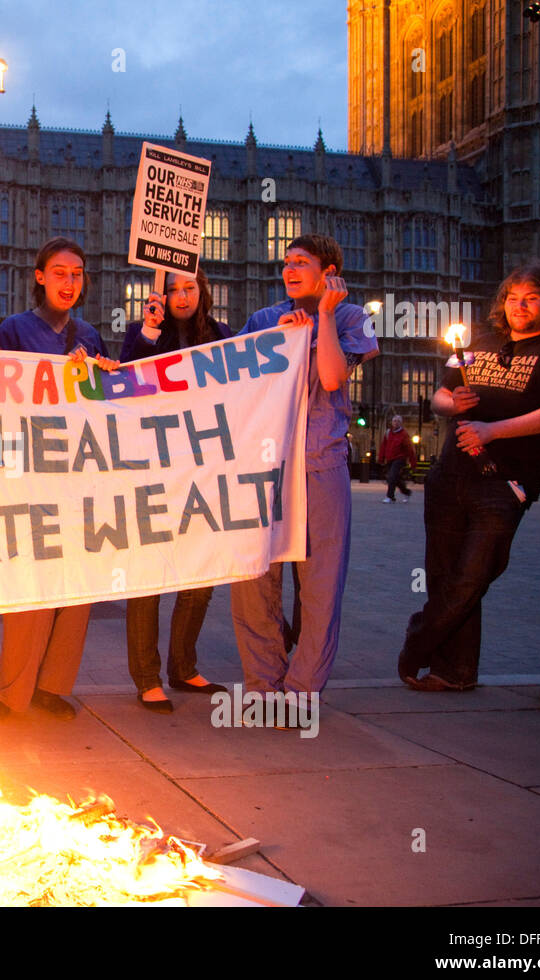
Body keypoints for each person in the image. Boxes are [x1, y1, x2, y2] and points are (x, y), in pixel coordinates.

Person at [398, 264, 540, 691]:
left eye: (532, 297)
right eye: (513, 297)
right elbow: (440, 396)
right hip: (450, 473)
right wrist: (453, 403)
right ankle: (455, 672)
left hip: (505, 479)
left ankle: (418, 638)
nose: (520, 306)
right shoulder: (477, 343)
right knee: (444, 573)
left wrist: (492, 430)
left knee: (476, 573)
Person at [229, 234, 378, 698]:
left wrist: (324, 318)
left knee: (319, 586)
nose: (290, 269)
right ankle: (263, 685)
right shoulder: (263, 320)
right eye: (286, 262)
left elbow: (332, 377)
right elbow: (232, 382)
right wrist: (279, 339)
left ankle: (300, 692)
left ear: (329, 270)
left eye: (301, 262)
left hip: (320, 464)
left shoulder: (354, 317)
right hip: (265, 464)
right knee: (254, 580)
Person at [0, 237, 119, 721]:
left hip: (77, 477)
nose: (69, 281)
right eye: (60, 272)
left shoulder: (90, 335)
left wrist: (106, 376)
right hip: (32, 475)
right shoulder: (16, 329)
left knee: (75, 589)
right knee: (31, 587)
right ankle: (10, 692)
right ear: (39, 277)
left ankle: (52, 685)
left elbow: (106, 405)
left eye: (77, 274)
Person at [119, 269, 230, 712]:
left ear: (203, 290)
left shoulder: (223, 336)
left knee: (199, 575)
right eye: (172, 289)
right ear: (159, 296)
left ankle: (184, 667)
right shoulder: (144, 333)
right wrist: (148, 329)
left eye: (189, 288)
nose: (181, 296)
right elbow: (123, 379)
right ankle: (147, 677)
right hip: (151, 467)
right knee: (148, 575)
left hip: (202, 467)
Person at [379, 414, 417, 503]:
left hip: (400, 459)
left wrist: (413, 463)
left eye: (398, 421)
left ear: (401, 423)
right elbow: (383, 446)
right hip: (390, 458)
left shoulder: (404, 435)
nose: (396, 423)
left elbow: (410, 449)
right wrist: (381, 458)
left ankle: (390, 496)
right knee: (395, 478)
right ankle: (406, 492)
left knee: (392, 476)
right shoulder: (388, 433)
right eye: (394, 421)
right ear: (392, 423)